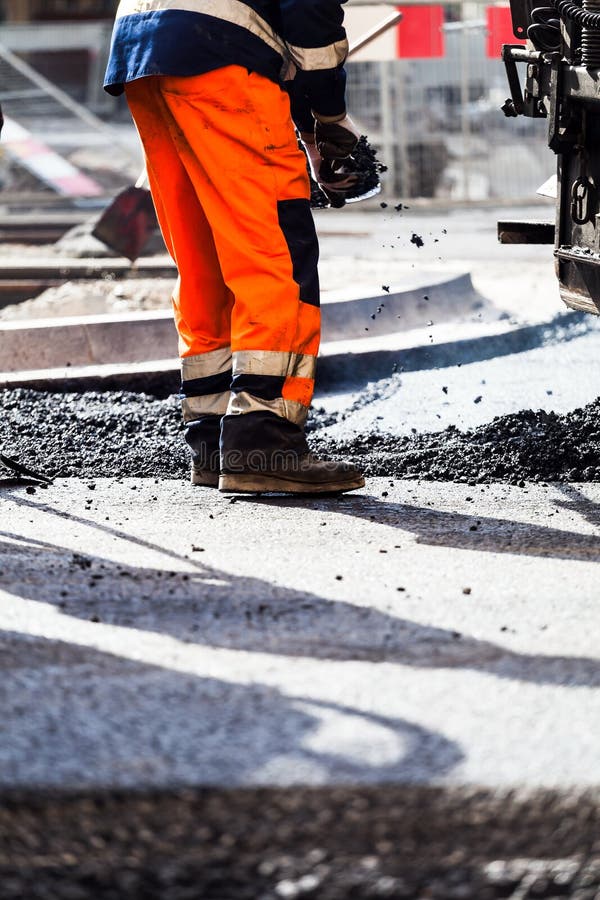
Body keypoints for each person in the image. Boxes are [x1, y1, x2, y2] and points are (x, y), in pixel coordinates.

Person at [104, 0, 365, 494]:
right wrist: (331, 115)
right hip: (219, 48)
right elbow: (310, 16)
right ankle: (263, 441)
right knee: (273, 252)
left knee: (204, 254)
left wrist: (307, 131)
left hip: (144, 48)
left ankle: (212, 441)